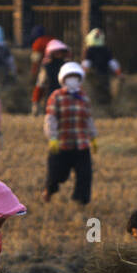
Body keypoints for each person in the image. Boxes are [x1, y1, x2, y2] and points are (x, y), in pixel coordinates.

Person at [43, 61, 96, 205]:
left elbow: (88, 118)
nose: (72, 79)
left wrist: (93, 137)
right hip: (62, 144)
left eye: (75, 76)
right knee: (56, 174)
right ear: (63, 79)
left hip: (81, 144)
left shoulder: (84, 97)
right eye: (69, 76)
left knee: (85, 175)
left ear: (80, 79)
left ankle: (81, 201)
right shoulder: (56, 96)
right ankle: (49, 190)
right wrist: (52, 137)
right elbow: (51, 118)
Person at [81, 28, 119, 106]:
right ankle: (107, 106)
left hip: (93, 75)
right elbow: (113, 63)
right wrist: (118, 73)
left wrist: (83, 74)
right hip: (104, 74)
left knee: (95, 91)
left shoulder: (89, 50)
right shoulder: (106, 49)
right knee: (105, 90)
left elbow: (86, 64)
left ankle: (100, 107)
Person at [33, 38, 70, 114]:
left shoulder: (67, 66)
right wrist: (35, 103)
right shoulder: (46, 67)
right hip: (51, 96)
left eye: (60, 51)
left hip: (66, 97)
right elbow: (40, 84)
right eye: (56, 51)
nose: (59, 54)